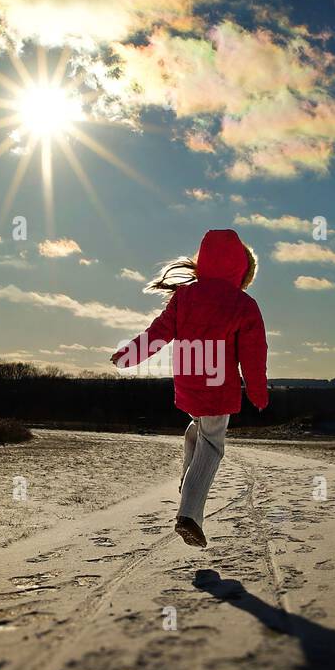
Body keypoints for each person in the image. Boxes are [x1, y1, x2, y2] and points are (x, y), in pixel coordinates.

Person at [111, 229, 269, 547]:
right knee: (212, 446)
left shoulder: (185, 296)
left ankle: (187, 480)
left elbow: (159, 331)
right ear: (242, 270)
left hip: (189, 381)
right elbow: (254, 352)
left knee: (197, 430)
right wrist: (257, 390)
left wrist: (130, 354)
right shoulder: (244, 305)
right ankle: (189, 515)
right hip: (218, 386)